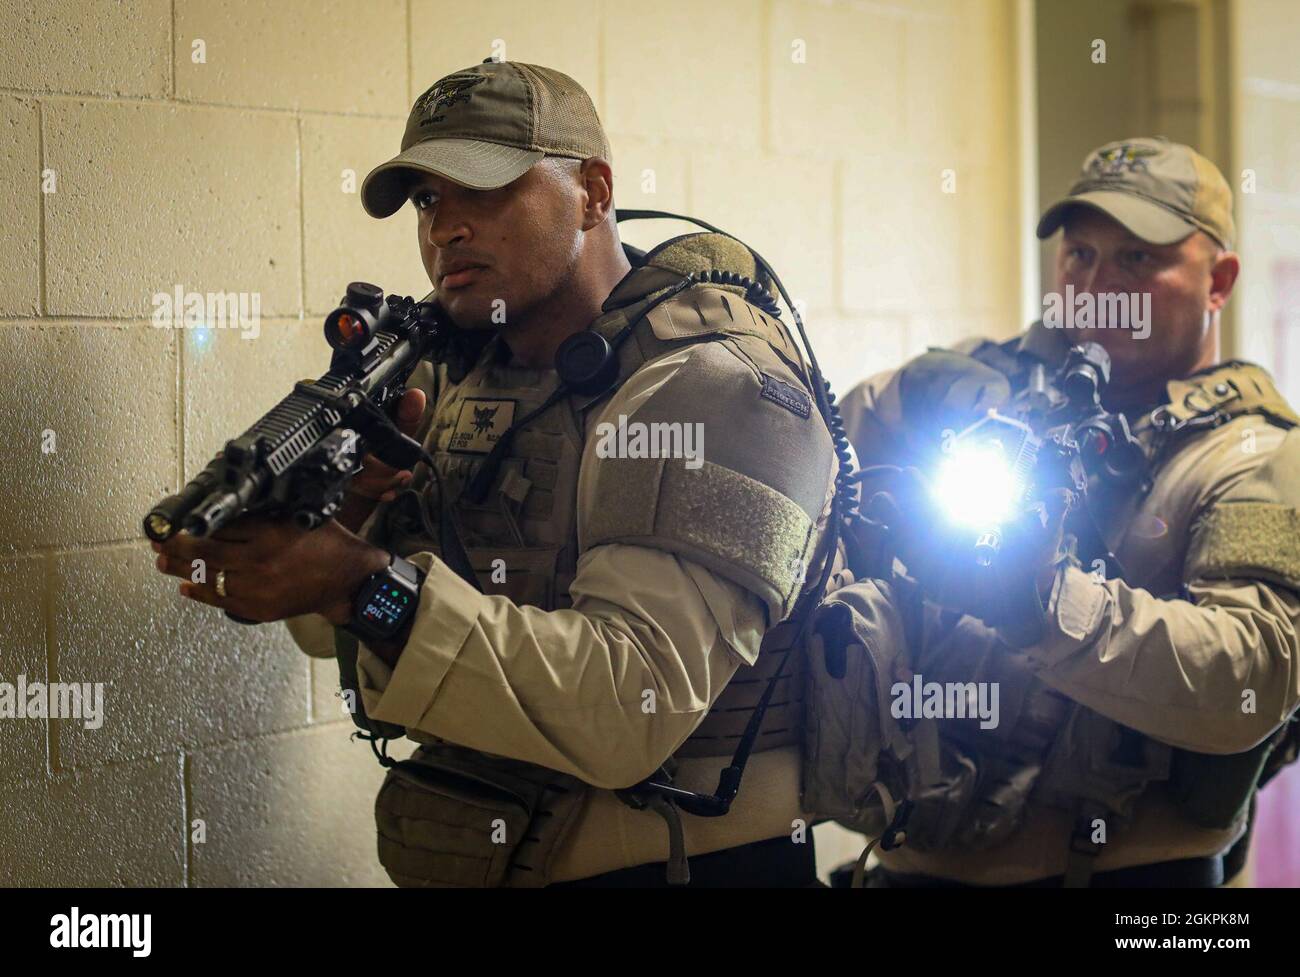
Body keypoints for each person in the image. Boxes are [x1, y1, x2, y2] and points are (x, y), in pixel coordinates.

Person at [151, 59, 842, 887]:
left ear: (593, 191)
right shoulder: (454, 380)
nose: (445, 227)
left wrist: (360, 580)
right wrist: (342, 531)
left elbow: (631, 707)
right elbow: (335, 626)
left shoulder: (715, 388)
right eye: (430, 199)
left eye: (484, 189)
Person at [825, 137, 1300, 887]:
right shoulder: (1002, 388)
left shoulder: (1253, 454)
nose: (1098, 284)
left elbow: (1249, 675)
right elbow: (825, 470)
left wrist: (1046, 609)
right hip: (914, 861)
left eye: (1138, 260)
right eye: (1079, 254)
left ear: (1220, 280)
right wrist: (898, 401)